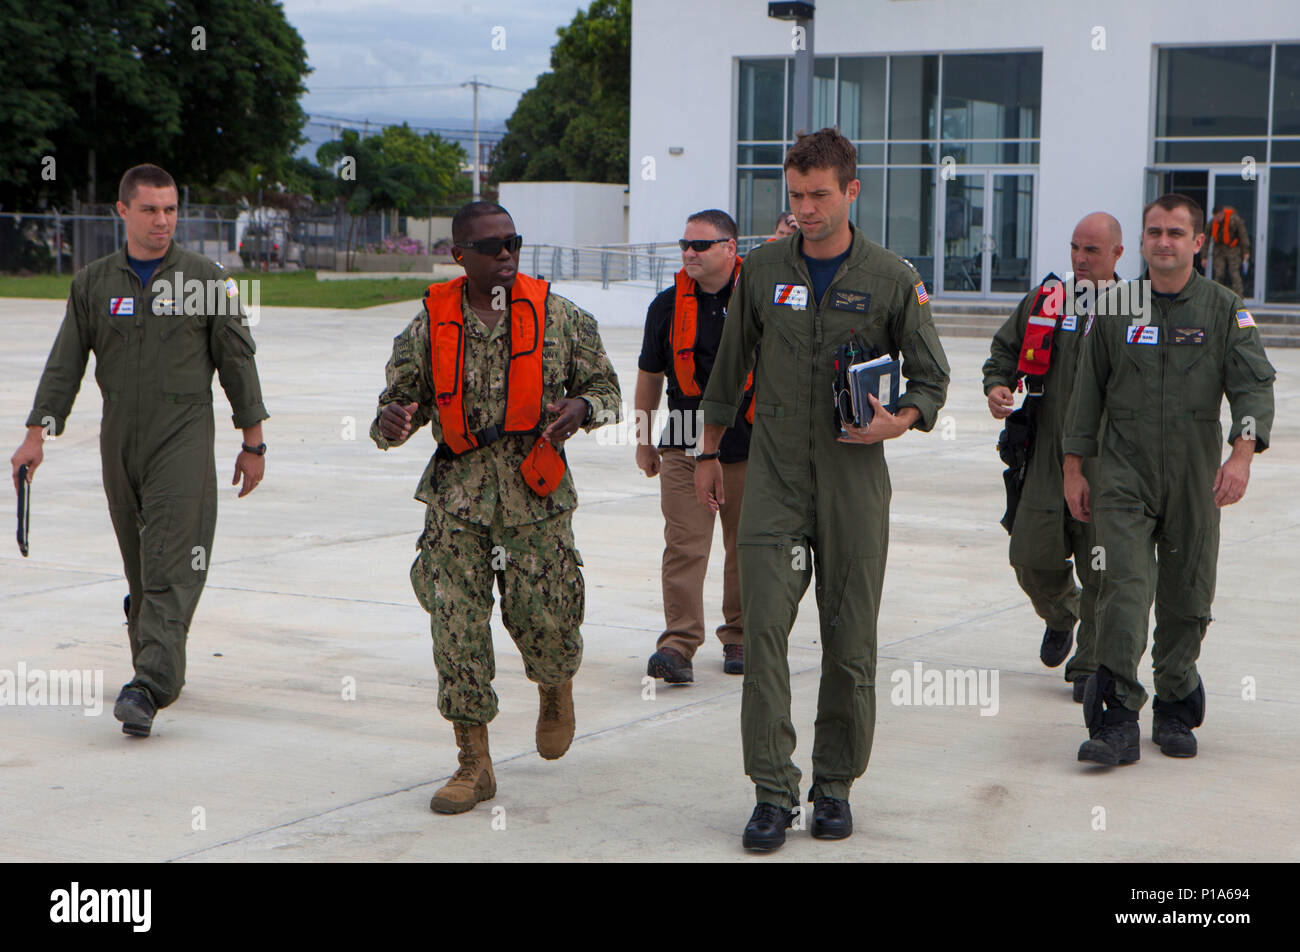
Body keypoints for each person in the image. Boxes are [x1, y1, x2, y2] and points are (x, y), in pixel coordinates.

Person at [695, 129, 950, 850]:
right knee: (763, 635)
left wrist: (897, 422)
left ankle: (833, 786)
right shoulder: (765, 268)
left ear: (851, 192)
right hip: (773, 479)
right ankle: (772, 793)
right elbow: (728, 368)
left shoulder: (893, 277)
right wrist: (709, 452)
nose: (804, 209)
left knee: (849, 643)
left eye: (819, 196)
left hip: (853, 482)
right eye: (796, 195)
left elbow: (931, 379)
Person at [370, 201, 621, 816]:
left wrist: (584, 410)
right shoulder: (430, 327)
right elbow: (395, 409)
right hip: (457, 501)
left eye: (514, 241)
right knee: (455, 628)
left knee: (548, 621)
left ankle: (555, 684)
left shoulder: (560, 317)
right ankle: (472, 761)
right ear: (460, 256)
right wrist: (391, 421)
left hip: (537, 498)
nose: (506, 253)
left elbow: (608, 392)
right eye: (491, 246)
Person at [9, 163, 268, 738]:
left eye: (171, 209)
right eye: (150, 209)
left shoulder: (205, 279)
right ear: (122, 212)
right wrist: (36, 434)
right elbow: (65, 365)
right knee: (141, 566)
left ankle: (149, 684)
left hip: (183, 439)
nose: (162, 221)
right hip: (119, 441)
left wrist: (253, 441)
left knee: (173, 564)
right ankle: (152, 649)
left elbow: (237, 363)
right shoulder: (93, 283)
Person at [1063, 193, 1275, 765]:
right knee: (1124, 591)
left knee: (1187, 593)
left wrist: (1242, 453)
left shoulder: (1224, 310)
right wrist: (1074, 469)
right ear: (1142, 240)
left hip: (1193, 477)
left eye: (1176, 233)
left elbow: (1253, 388)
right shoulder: (1113, 309)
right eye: (1155, 231)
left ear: (1198, 242)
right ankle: (1117, 720)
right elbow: (1085, 396)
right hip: (1123, 474)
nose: (1164, 242)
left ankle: (1176, 701)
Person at [982, 213, 1123, 702]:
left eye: (1093, 251)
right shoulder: (1048, 300)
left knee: (1101, 567)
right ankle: (1063, 614)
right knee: (1028, 555)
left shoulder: (1138, 311)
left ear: (1118, 256)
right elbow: (1003, 350)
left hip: (1108, 462)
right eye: (1075, 248)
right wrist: (998, 386)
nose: (1081, 259)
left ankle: (1089, 664)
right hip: (1045, 454)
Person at [638, 209, 754, 683]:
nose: (689, 253)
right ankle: (678, 644)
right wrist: (644, 440)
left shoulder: (760, 301)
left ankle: (743, 639)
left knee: (745, 547)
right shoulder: (665, 306)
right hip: (683, 443)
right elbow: (649, 376)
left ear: (730, 248)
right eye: (685, 244)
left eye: (701, 245)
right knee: (684, 545)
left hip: (748, 444)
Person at [1206, 204, 1251, 298]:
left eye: (1218, 215)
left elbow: (1243, 236)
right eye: (1215, 216)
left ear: (1222, 213)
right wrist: (1203, 257)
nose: (1217, 218)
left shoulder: (1235, 220)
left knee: (1234, 273)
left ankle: (1239, 298)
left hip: (1233, 249)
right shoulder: (1212, 223)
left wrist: (1245, 252)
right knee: (1219, 274)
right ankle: (1216, 298)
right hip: (1219, 250)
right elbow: (1206, 239)